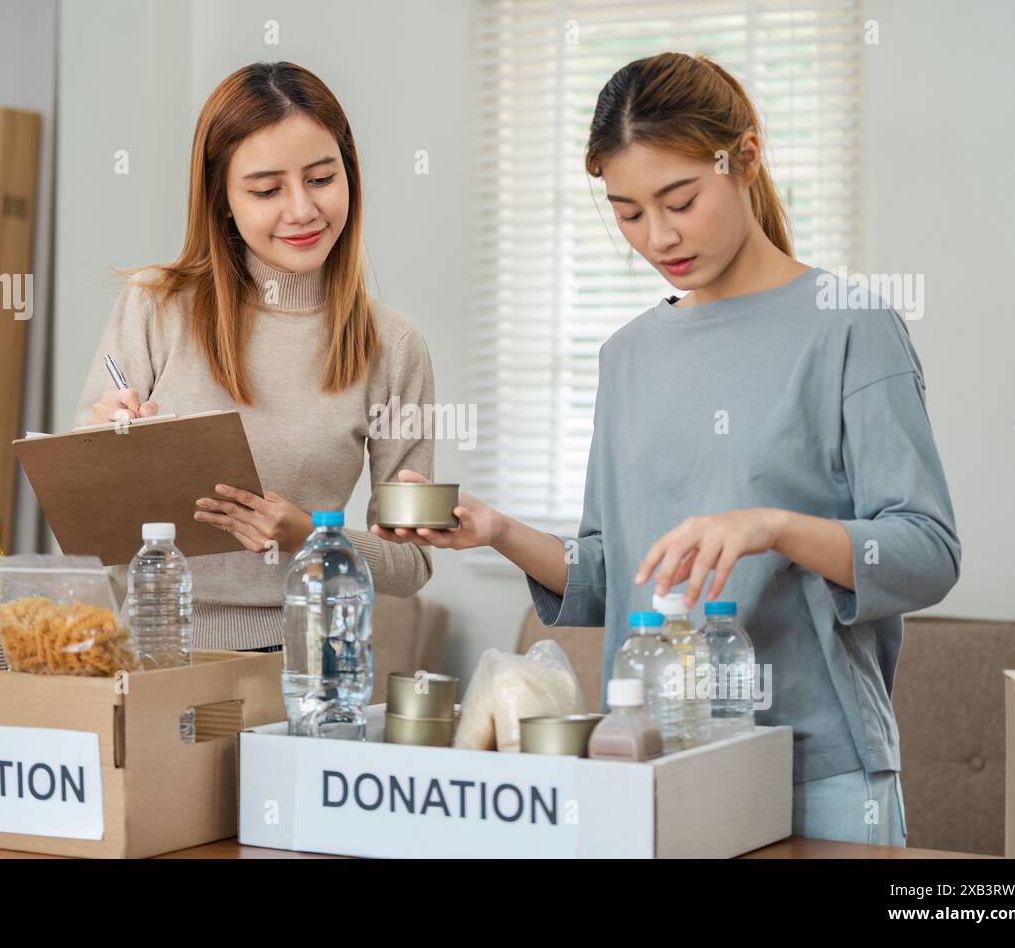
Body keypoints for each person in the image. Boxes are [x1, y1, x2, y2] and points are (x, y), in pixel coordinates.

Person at [376, 52, 960, 845]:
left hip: (817, 772)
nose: (658, 236)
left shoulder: (850, 328)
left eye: (679, 200)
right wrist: (500, 531)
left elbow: (927, 553)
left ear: (745, 159)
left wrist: (773, 527)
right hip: (648, 768)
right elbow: (613, 576)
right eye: (626, 211)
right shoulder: (628, 356)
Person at [75, 62, 435, 652]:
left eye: (322, 178)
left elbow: (413, 561)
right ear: (222, 198)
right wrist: (95, 452)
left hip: (307, 666)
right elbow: (87, 533)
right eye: (267, 190)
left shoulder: (392, 346)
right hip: (155, 653)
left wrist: (310, 538)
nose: (301, 210)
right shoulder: (152, 308)